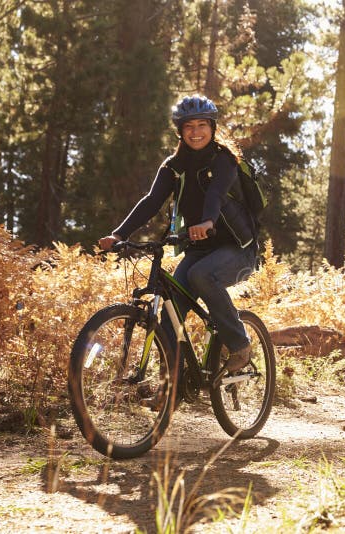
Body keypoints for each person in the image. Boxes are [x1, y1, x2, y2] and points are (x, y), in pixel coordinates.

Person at [98, 95, 259, 386]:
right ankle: (171, 387)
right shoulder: (173, 166)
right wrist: (119, 234)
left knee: (201, 275)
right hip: (199, 248)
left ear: (212, 127)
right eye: (189, 126)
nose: (196, 132)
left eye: (202, 125)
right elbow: (150, 202)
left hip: (238, 249)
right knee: (170, 315)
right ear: (180, 131)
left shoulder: (224, 159)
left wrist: (208, 222)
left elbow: (216, 194)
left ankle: (239, 344)